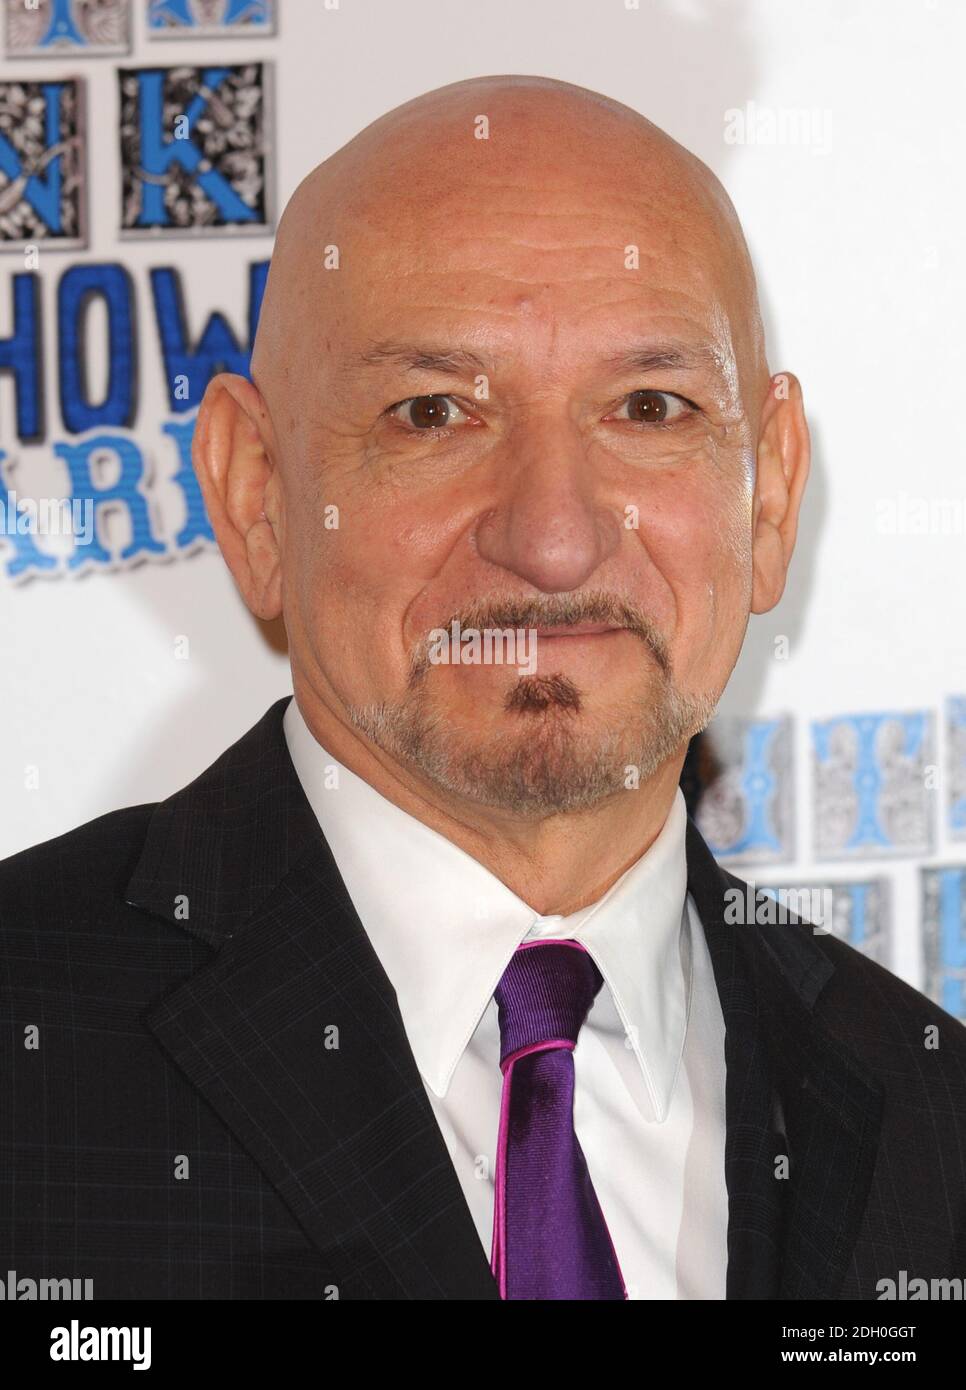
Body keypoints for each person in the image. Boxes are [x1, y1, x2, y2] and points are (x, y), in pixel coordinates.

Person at [2, 74, 965, 1301]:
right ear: (256, 492)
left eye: (650, 406)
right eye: (434, 413)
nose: (553, 539)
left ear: (769, 497)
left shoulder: (934, 1123)